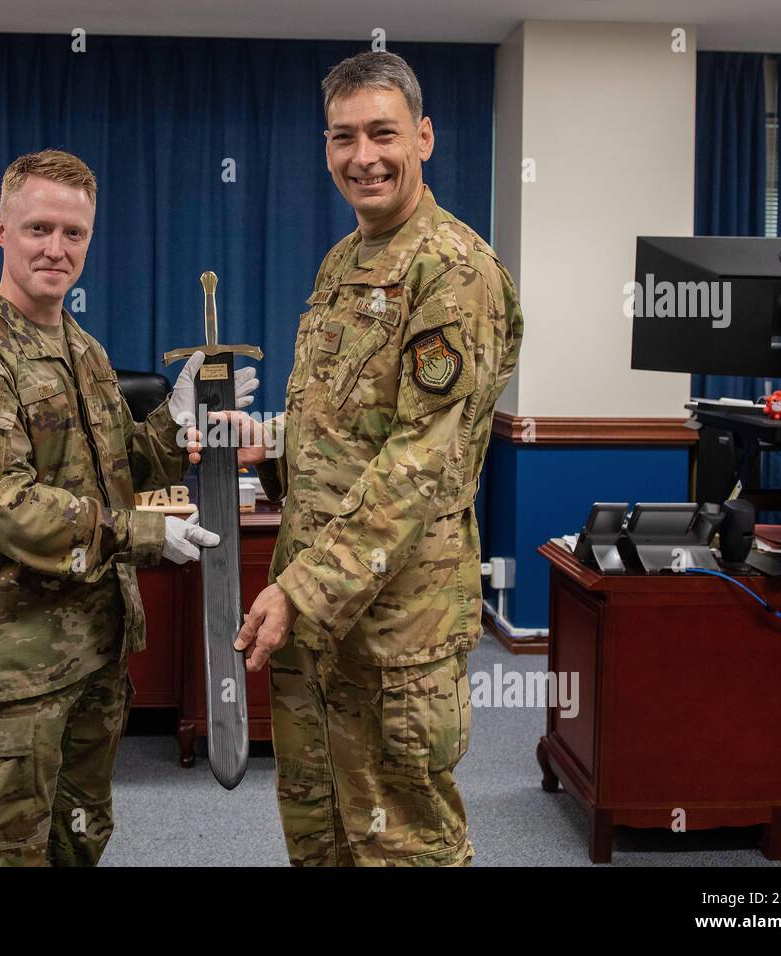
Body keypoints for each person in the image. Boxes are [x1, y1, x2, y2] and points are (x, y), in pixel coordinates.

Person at [0, 149, 256, 866]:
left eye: (74, 234)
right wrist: (139, 534)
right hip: (14, 676)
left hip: (92, 659)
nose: (56, 249)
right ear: (1, 228)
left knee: (77, 844)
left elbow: (118, 468)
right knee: (4, 854)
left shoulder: (82, 350)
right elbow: (5, 508)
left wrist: (176, 416)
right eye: (39, 228)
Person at [230, 52, 525, 866]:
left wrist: (300, 589)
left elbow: (424, 459)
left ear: (423, 138)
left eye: (384, 133)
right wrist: (270, 442)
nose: (364, 155)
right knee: (322, 835)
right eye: (344, 137)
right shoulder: (342, 264)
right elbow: (345, 426)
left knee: (403, 845)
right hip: (318, 624)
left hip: (397, 630)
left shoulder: (455, 272)